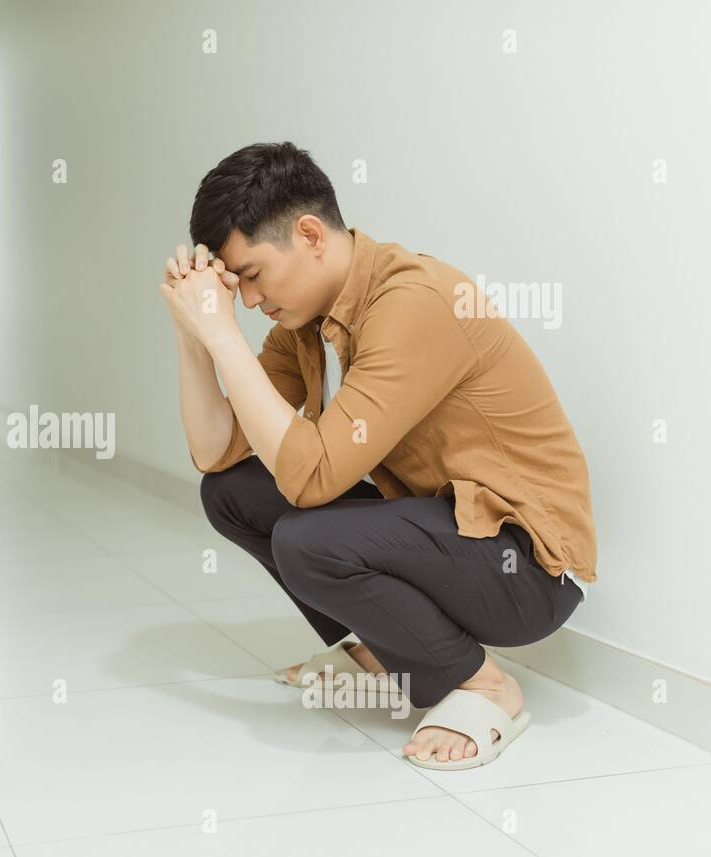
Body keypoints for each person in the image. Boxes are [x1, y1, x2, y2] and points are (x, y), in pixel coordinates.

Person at [160, 141, 597, 769]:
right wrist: (194, 333)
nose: (248, 300)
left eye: (251, 274)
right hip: (447, 532)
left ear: (309, 233)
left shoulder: (411, 301)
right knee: (232, 493)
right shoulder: (303, 327)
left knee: (308, 538)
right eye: (237, 285)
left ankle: (485, 686)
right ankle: (384, 648)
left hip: (527, 567)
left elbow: (310, 481)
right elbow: (215, 453)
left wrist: (223, 330)